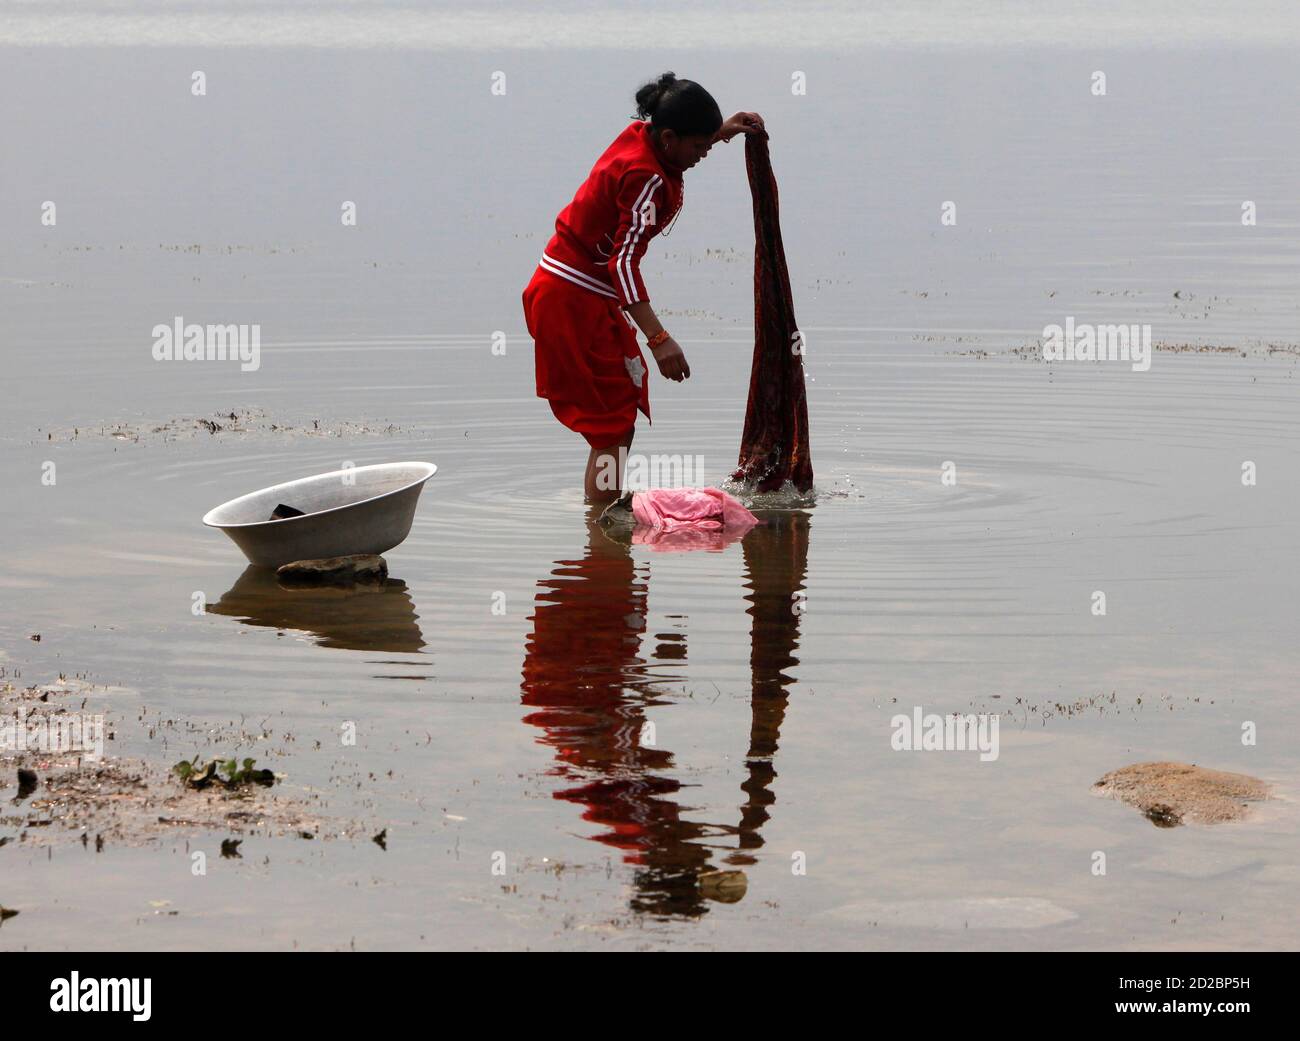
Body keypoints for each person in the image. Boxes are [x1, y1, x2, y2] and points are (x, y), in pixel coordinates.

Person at [522, 71, 765, 502]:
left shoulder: (643, 134)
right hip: (571, 298)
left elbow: (617, 263)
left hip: (581, 291)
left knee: (618, 412)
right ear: (668, 137)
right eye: (698, 146)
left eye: (707, 145)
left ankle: (604, 527)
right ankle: (602, 526)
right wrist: (659, 338)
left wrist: (718, 132)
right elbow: (623, 263)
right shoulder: (646, 178)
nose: (702, 155)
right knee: (610, 423)